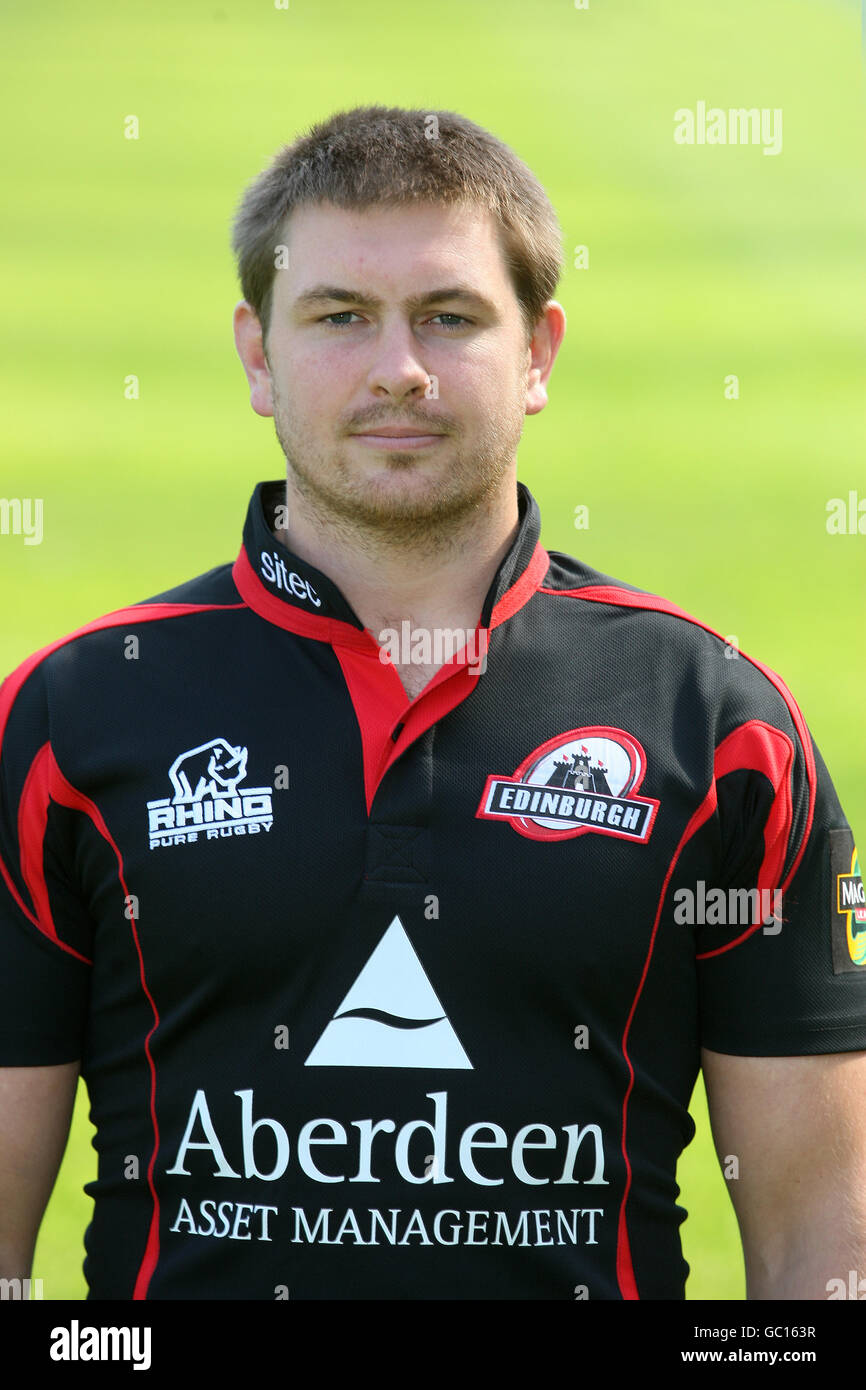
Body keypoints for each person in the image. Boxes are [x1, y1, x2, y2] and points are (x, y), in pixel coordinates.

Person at [1, 104, 864, 1302]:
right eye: (340, 316)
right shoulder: (63, 720)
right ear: (258, 354)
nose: (397, 367)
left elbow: (818, 1254)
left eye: (448, 318)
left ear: (538, 353)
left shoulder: (721, 728)